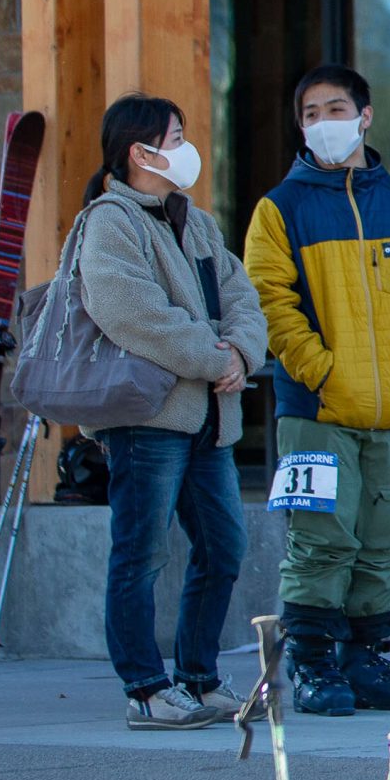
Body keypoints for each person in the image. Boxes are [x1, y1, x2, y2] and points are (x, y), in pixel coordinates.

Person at [242, 65, 390, 717]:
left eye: (336, 108)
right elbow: (271, 300)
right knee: (322, 541)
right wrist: (320, 368)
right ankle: (313, 662)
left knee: (381, 541)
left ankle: (365, 656)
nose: (325, 122)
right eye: (311, 113)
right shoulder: (281, 209)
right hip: (317, 410)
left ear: (366, 114)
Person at [73, 95, 268, 729]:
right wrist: (218, 361)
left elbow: (242, 296)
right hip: (148, 421)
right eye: (175, 136)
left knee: (222, 548)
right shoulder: (110, 221)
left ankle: (198, 676)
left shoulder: (198, 221)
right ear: (141, 151)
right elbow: (130, 312)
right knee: (140, 554)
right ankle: (146, 689)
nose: (186, 147)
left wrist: (241, 349)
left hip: (210, 420)